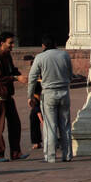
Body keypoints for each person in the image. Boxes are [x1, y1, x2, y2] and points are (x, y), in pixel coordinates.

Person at [28, 35, 74, 163]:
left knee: (50, 126)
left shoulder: (40, 57)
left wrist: (30, 95)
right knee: (65, 125)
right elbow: (70, 75)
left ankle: (50, 156)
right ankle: (67, 155)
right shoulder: (64, 55)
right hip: (64, 92)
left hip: (48, 93)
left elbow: (32, 78)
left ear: (43, 46)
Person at [0, 31, 25, 162]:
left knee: (15, 124)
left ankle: (16, 152)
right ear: (2, 43)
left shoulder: (7, 55)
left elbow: (12, 70)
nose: (12, 45)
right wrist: (16, 78)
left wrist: (22, 75)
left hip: (8, 94)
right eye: (10, 43)